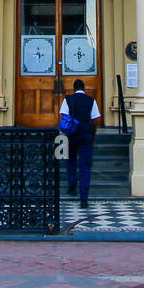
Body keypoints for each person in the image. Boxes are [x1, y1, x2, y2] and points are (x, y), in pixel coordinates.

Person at [60, 78, 100, 207]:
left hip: (71, 136)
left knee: (71, 161)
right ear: (84, 88)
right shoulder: (91, 100)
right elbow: (94, 121)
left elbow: (63, 118)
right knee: (85, 166)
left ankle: (72, 185)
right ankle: (84, 198)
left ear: (73, 88)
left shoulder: (68, 99)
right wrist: (93, 137)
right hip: (86, 136)